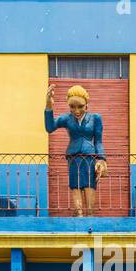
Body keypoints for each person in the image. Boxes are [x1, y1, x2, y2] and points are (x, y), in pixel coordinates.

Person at [44, 84, 106, 217]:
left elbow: (99, 141)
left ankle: (90, 214)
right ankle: (79, 214)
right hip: (73, 157)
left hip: (89, 157)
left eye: (80, 107)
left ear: (86, 104)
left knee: (89, 185)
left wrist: (101, 159)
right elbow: (49, 128)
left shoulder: (95, 118)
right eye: (72, 107)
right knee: (75, 184)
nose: (76, 111)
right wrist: (49, 106)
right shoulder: (66, 119)